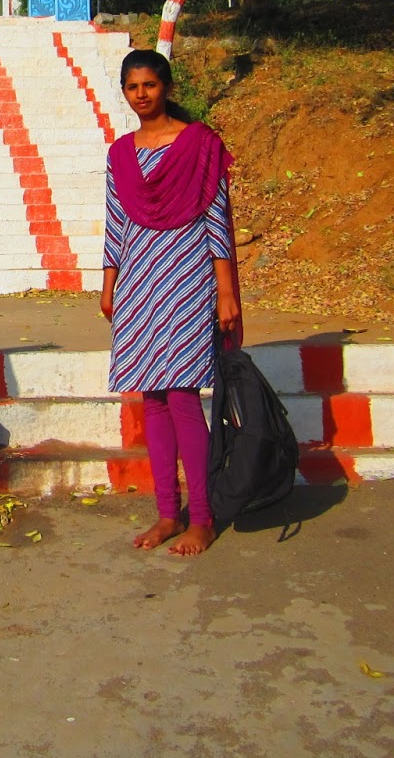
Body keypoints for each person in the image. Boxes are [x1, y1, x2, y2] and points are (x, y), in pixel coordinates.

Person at [100, 50, 240, 557]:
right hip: (139, 283)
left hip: (187, 280)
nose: (141, 94)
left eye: (150, 85)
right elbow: (116, 223)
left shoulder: (199, 145)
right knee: (152, 399)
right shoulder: (121, 154)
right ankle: (167, 513)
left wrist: (225, 290)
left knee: (181, 397)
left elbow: (217, 219)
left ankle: (201, 518)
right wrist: (109, 284)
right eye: (132, 86)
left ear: (167, 87)